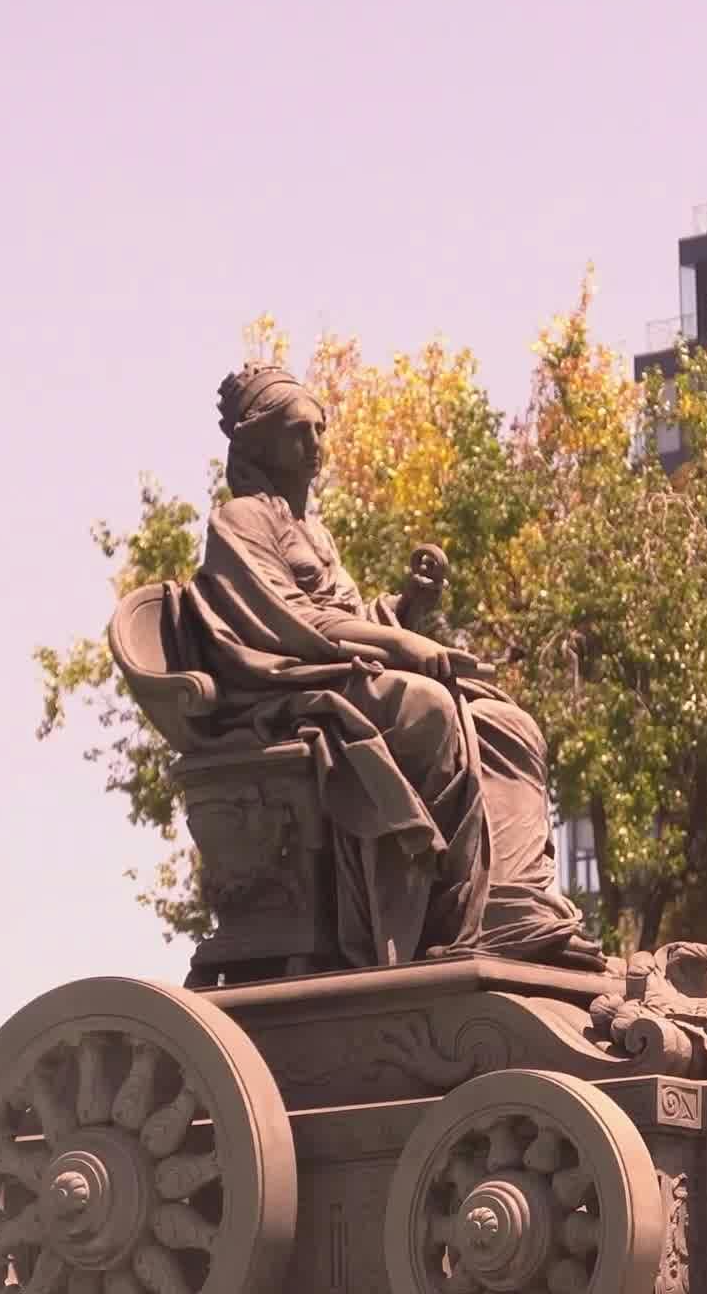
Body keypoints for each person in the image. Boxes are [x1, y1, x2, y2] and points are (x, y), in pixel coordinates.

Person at [151, 360, 605, 970]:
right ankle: (447, 915)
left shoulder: (317, 532)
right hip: (285, 686)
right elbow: (290, 623)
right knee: (431, 711)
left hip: (344, 671)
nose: (314, 445)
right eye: (297, 431)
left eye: (319, 430)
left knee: (505, 721)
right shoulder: (239, 522)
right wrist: (401, 648)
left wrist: (404, 608)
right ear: (259, 441)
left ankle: (509, 899)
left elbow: (348, 614)